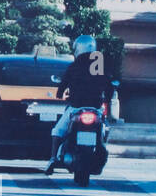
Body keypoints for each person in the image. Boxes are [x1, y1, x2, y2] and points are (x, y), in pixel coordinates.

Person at [45, 35, 112, 175]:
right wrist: (108, 97)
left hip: (76, 107)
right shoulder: (100, 66)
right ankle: (100, 154)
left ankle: (52, 159)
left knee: (57, 131)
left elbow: (63, 84)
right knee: (103, 131)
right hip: (96, 109)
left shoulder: (75, 65)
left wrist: (60, 93)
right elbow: (109, 85)